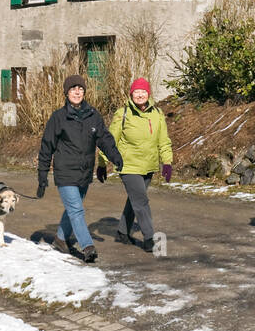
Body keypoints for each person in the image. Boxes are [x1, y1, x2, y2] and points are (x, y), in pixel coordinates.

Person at [37, 74, 124, 263]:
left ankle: (60, 240)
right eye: (73, 89)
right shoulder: (58, 118)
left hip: (84, 173)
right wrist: (42, 174)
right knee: (76, 210)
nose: (77, 92)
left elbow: (105, 139)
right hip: (65, 172)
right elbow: (47, 146)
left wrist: (115, 156)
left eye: (80, 89)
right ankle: (87, 246)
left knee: (72, 209)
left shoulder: (93, 115)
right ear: (66, 93)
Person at [100, 77, 173, 253]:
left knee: (135, 200)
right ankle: (149, 238)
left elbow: (163, 140)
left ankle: (122, 231)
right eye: (136, 92)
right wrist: (102, 162)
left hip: (148, 165)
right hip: (128, 165)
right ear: (131, 94)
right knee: (141, 201)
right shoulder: (122, 113)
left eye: (143, 92)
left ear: (148, 94)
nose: (140, 95)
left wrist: (167, 162)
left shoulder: (157, 114)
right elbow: (109, 141)